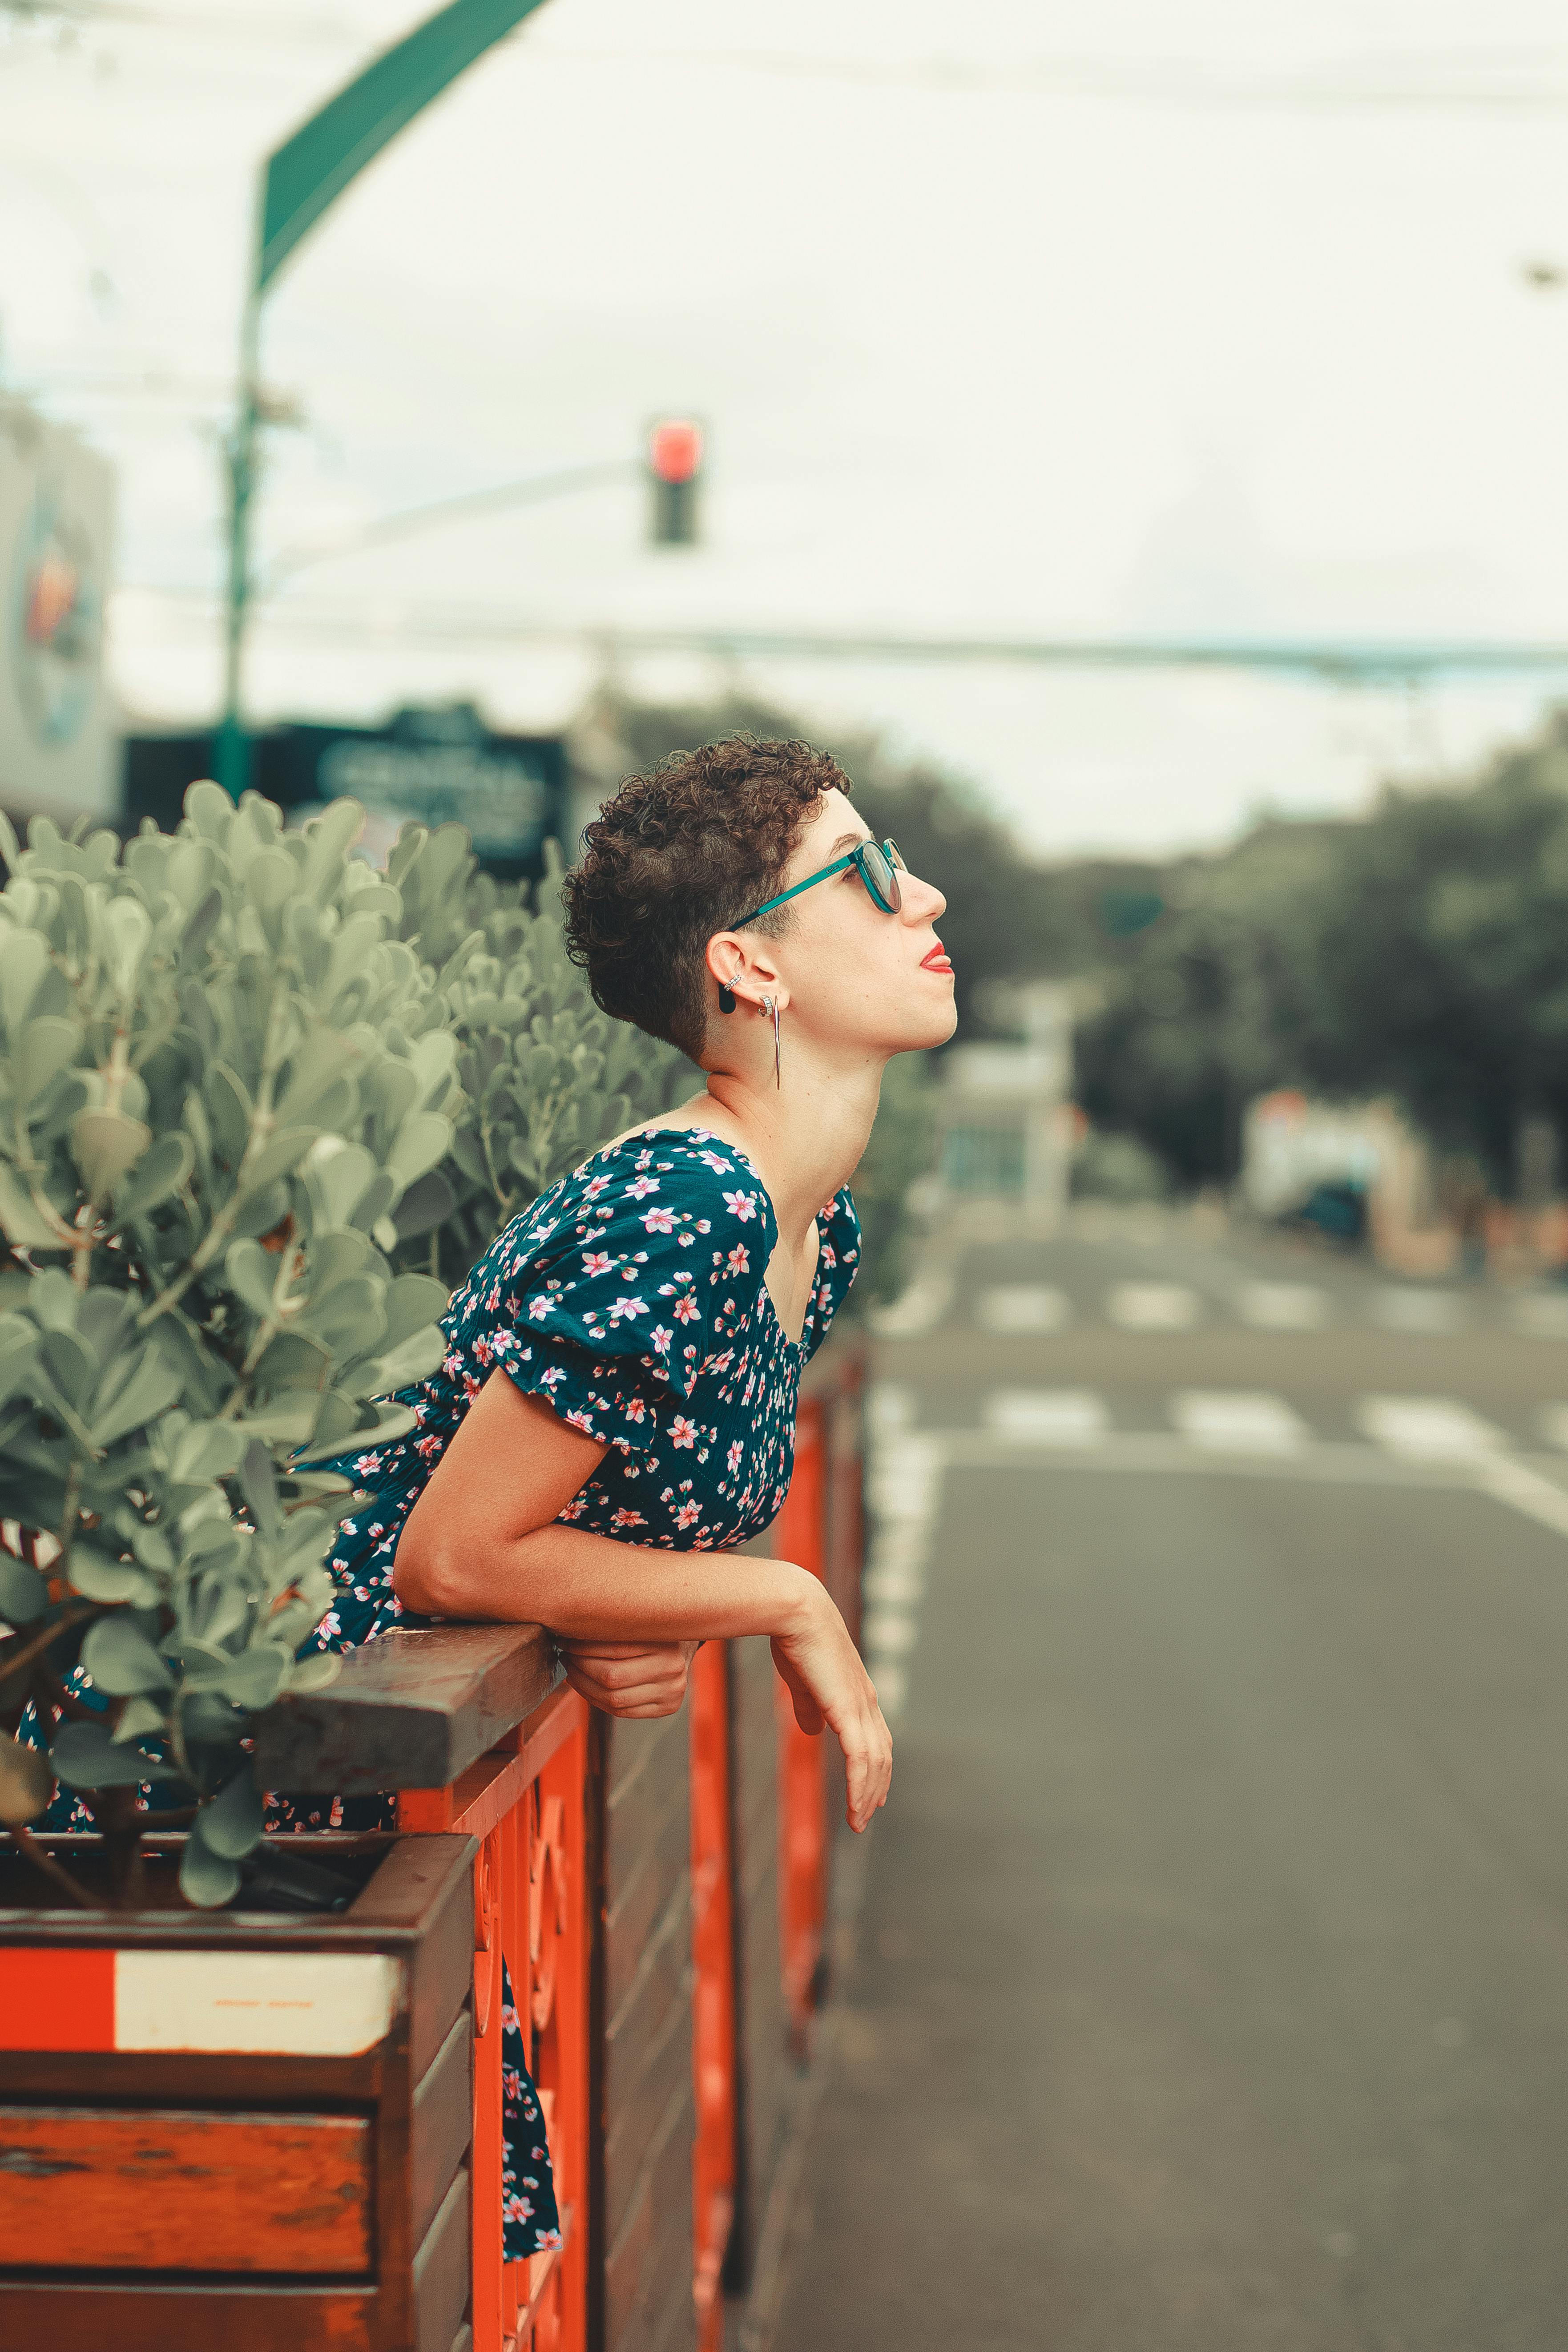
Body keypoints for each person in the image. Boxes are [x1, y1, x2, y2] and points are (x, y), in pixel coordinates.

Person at [275, 732, 958, 2255]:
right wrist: (777, 1596)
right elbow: (453, 1553)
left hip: (406, 1784)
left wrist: (610, 1604)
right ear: (750, 966)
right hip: (286, 1786)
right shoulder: (688, 1205)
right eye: (869, 874)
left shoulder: (803, 1224)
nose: (925, 894)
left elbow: (573, 1524)